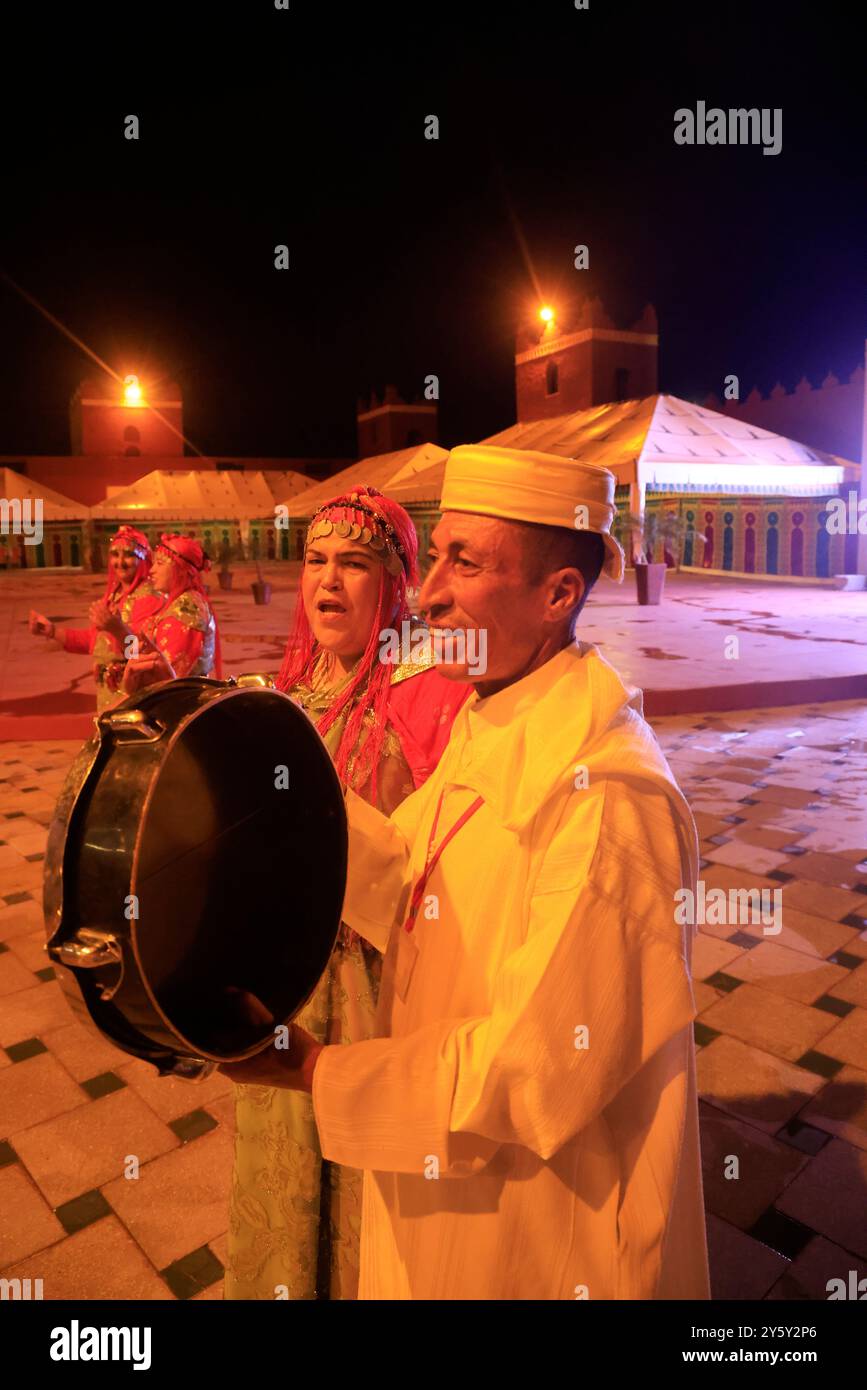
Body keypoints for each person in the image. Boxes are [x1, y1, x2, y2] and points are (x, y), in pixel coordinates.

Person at [221, 445, 710, 1301]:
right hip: (445, 1171)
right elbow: (408, 867)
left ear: (558, 594)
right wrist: (272, 811)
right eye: (435, 555)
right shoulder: (496, 713)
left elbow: (534, 1069)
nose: (429, 590)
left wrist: (311, 1071)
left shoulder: (607, 798)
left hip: (535, 1226)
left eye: (465, 563)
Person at [225, 486, 472, 1301]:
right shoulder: (291, 690)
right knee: (286, 1168)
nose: (328, 582)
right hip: (290, 981)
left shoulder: (430, 694)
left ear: (395, 582)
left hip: (373, 993)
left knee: (370, 1178)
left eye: (354, 564)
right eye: (315, 561)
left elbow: (446, 864)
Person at [28, 524, 157, 711]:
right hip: (108, 696)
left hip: (132, 698)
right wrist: (52, 631)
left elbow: (144, 656)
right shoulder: (114, 595)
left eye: (129, 555)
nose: (120, 562)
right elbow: (95, 641)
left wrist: (117, 629)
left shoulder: (150, 599)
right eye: (115, 554)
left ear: (143, 559)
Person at [118, 533, 221, 695]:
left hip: (179, 702)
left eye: (160, 563)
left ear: (179, 569)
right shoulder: (178, 603)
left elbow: (170, 678)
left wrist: (116, 631)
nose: (151, 570)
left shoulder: (185, 609)